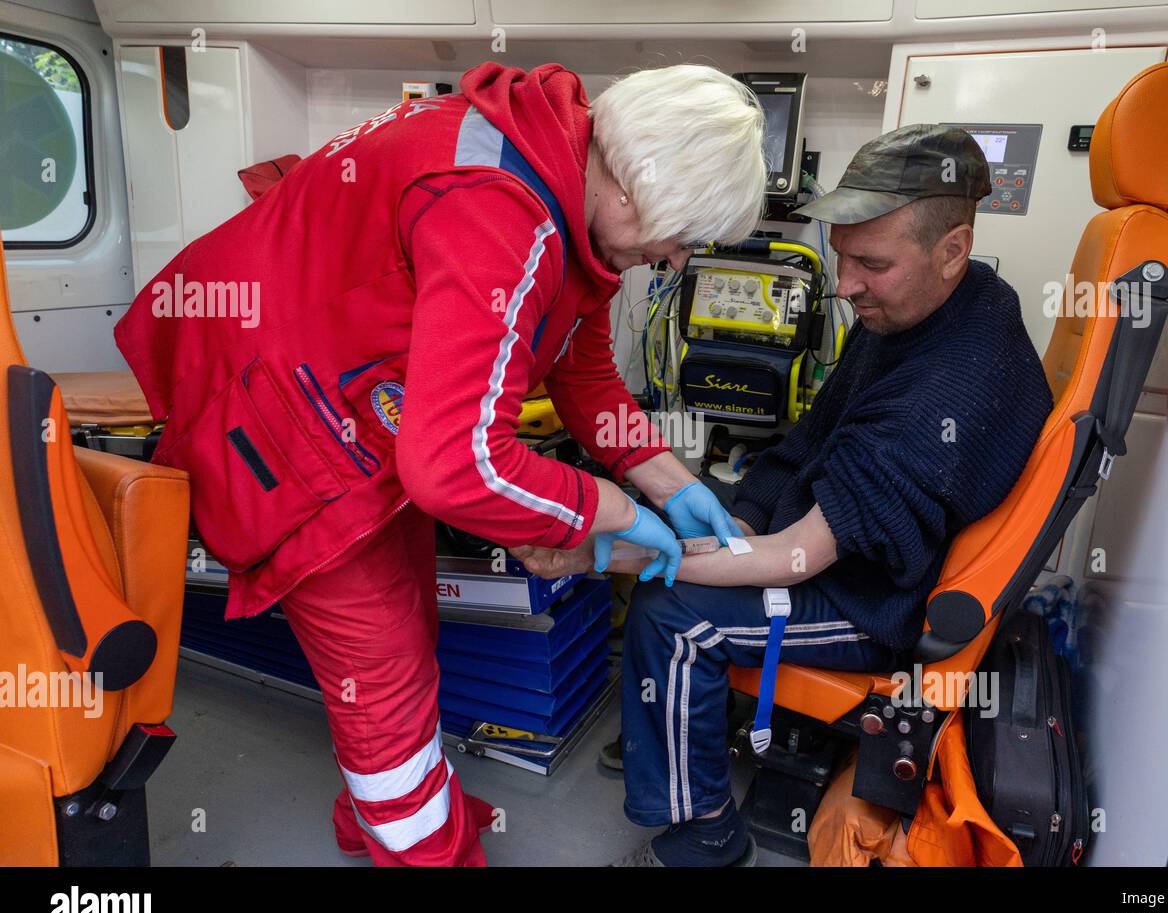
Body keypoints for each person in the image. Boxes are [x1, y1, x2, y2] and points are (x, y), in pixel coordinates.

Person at [114, 62, 767, 866]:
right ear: (639, 193)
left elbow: (581, 369)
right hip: (283, 425)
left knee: (411, 635)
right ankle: (422, 839)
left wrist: (672, 481)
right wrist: (614, 512)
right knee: (380, 671)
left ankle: (382, 807)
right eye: (682, 239)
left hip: (357, 410)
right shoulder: (502, 207)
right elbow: (458, 464)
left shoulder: (563, 177)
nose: (673, 262)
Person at [514, 125, 1055, 866]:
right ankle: (674, 725)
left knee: (673, 616)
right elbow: (806, 441)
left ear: (952, 250)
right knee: (691, 504)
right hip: (839, 536)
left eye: (872, 264)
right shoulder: (927, 309)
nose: (849, 283)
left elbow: (797, 557)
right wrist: (736, 515)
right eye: (841, 256)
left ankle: (703, 838)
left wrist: (601, 555)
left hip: (875, 597)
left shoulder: (949, 387)